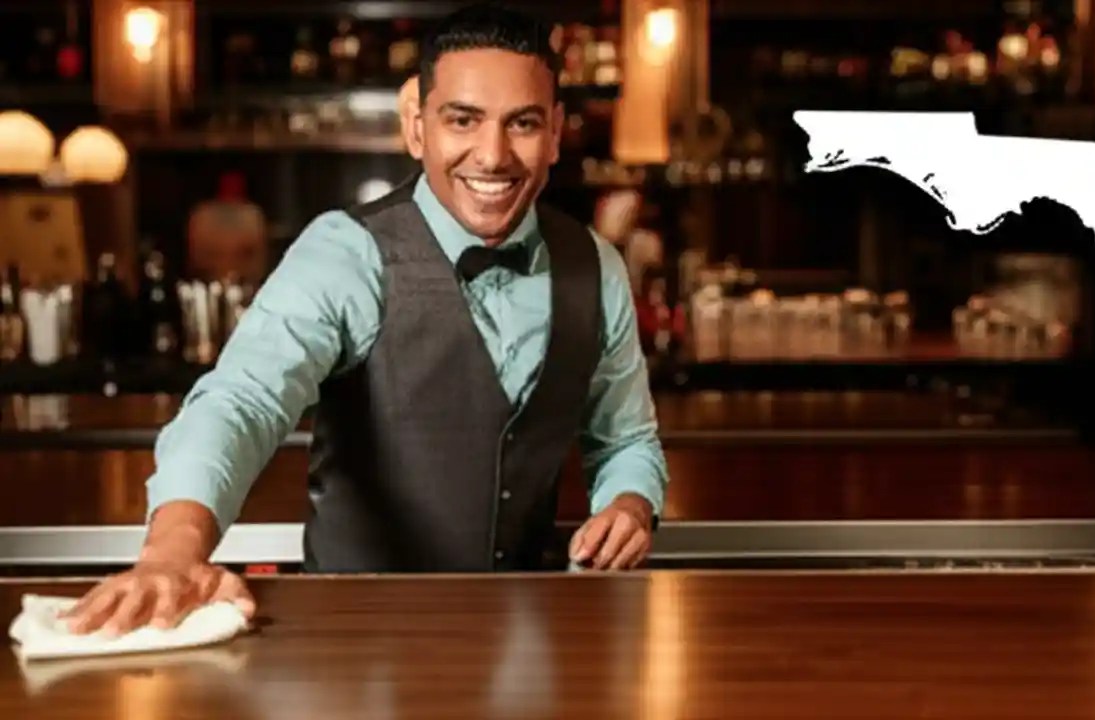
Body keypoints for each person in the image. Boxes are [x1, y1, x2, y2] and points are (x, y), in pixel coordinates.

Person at [62, 2, 670, 636]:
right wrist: (172, 552)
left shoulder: (594, 267)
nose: (492, 156)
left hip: (526, 641)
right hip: (354, 639)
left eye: (522, 123)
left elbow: (626, 441)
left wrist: (628, 504)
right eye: (463, 120)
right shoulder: (346, 252)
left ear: (555, 134)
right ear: (417, 128)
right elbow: (242, 400)